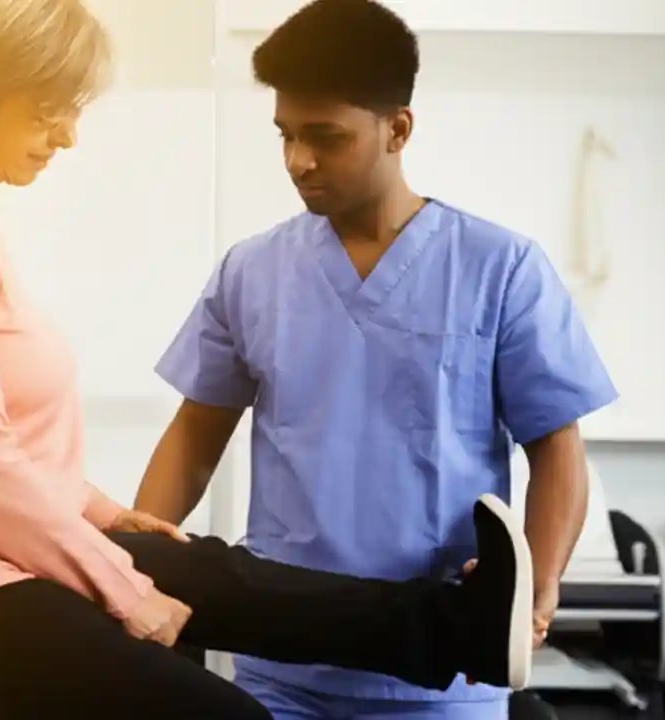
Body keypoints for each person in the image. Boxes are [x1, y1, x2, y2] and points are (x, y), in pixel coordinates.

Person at [0, 1, 537, 719]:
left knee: (210, 569)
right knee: (222, 711)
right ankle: (451, 627)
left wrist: (113, 520)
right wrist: (122, 586)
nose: (68, 135)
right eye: (50, 109)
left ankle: (463, 626)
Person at [135, 0, 619, 719]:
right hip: (279, 665)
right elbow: (195, 435)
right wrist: (129, 570)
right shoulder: (252, 270)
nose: (299, 160)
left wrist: (534, 589)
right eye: (287, 135)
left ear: (398, 128)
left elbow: (556, 447)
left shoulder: (499, 268)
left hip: (441, 673)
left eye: (325, 137)